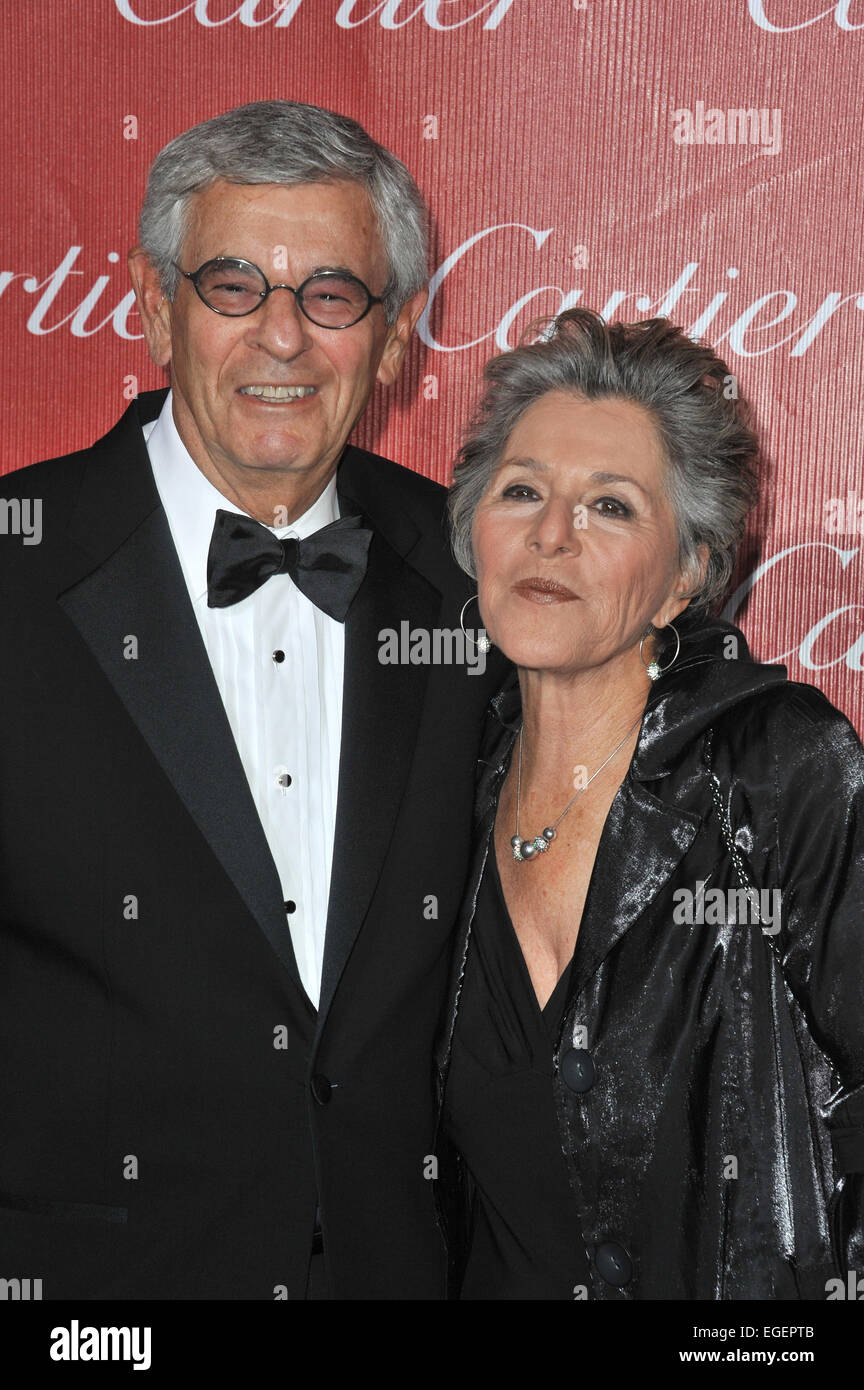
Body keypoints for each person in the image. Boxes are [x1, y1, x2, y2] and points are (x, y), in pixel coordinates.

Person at [0, 100, 507, 1300]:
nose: (281, 336)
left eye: (332, 294)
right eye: (234, 285)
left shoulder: (482, 573)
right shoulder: (15, 564)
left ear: (392, 343)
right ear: (151, 302)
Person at [432, 306, 864, 1300]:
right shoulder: (436, 785)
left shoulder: (777, 766)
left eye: (611, 506)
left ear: (688, 574)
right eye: (524, 490)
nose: (551, 534)